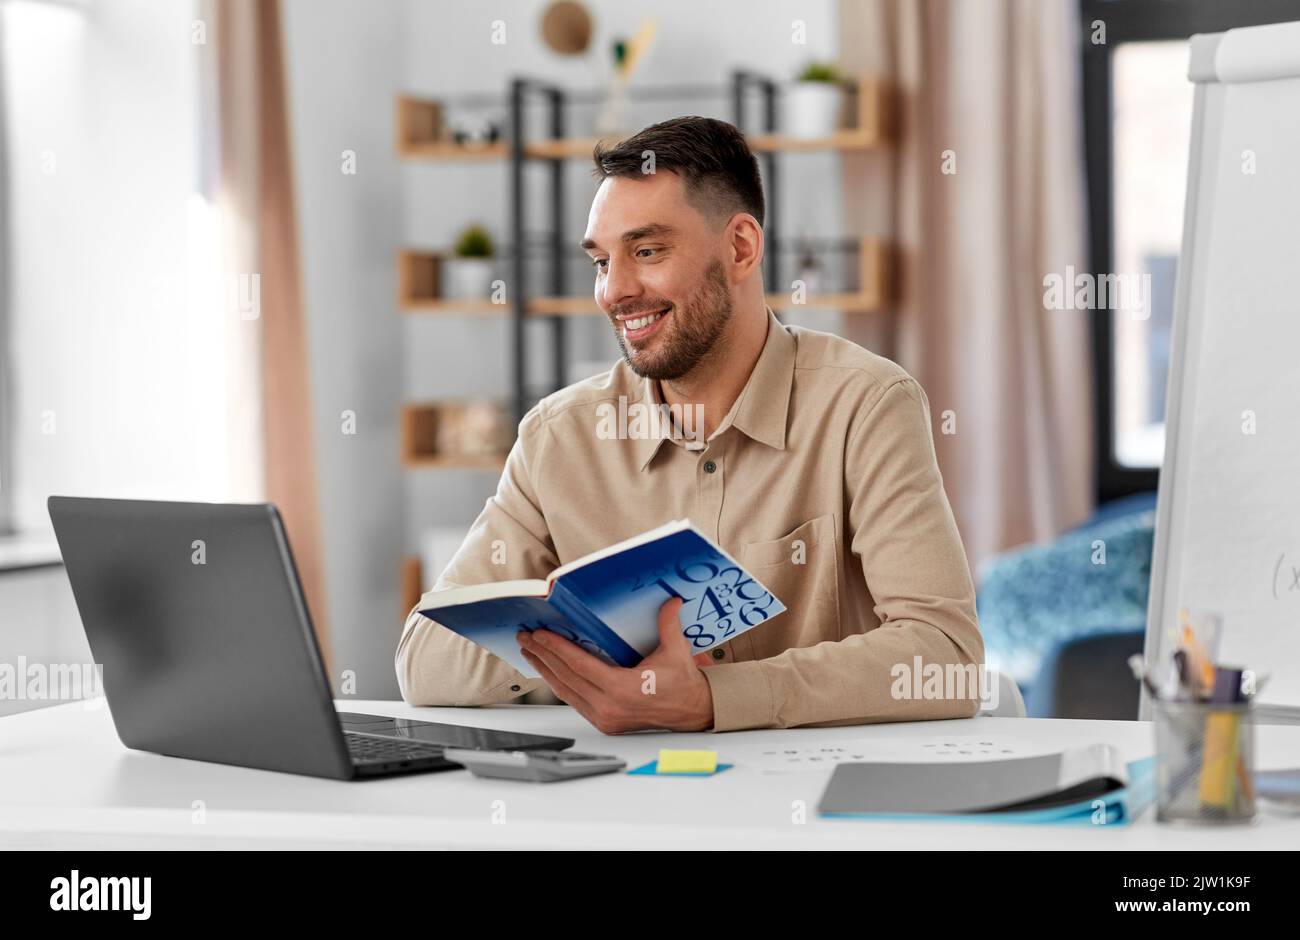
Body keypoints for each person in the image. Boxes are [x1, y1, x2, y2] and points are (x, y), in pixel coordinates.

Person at [396, 115, 984, 733]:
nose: (615, 291)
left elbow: (946, 654)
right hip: (629, 804)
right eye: (601, 262)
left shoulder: (866, 405)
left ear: (740, 248)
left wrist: (718, 699)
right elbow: (425, 662)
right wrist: (572, 635)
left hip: (813, 806)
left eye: (647, 252)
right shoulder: (558, 438)